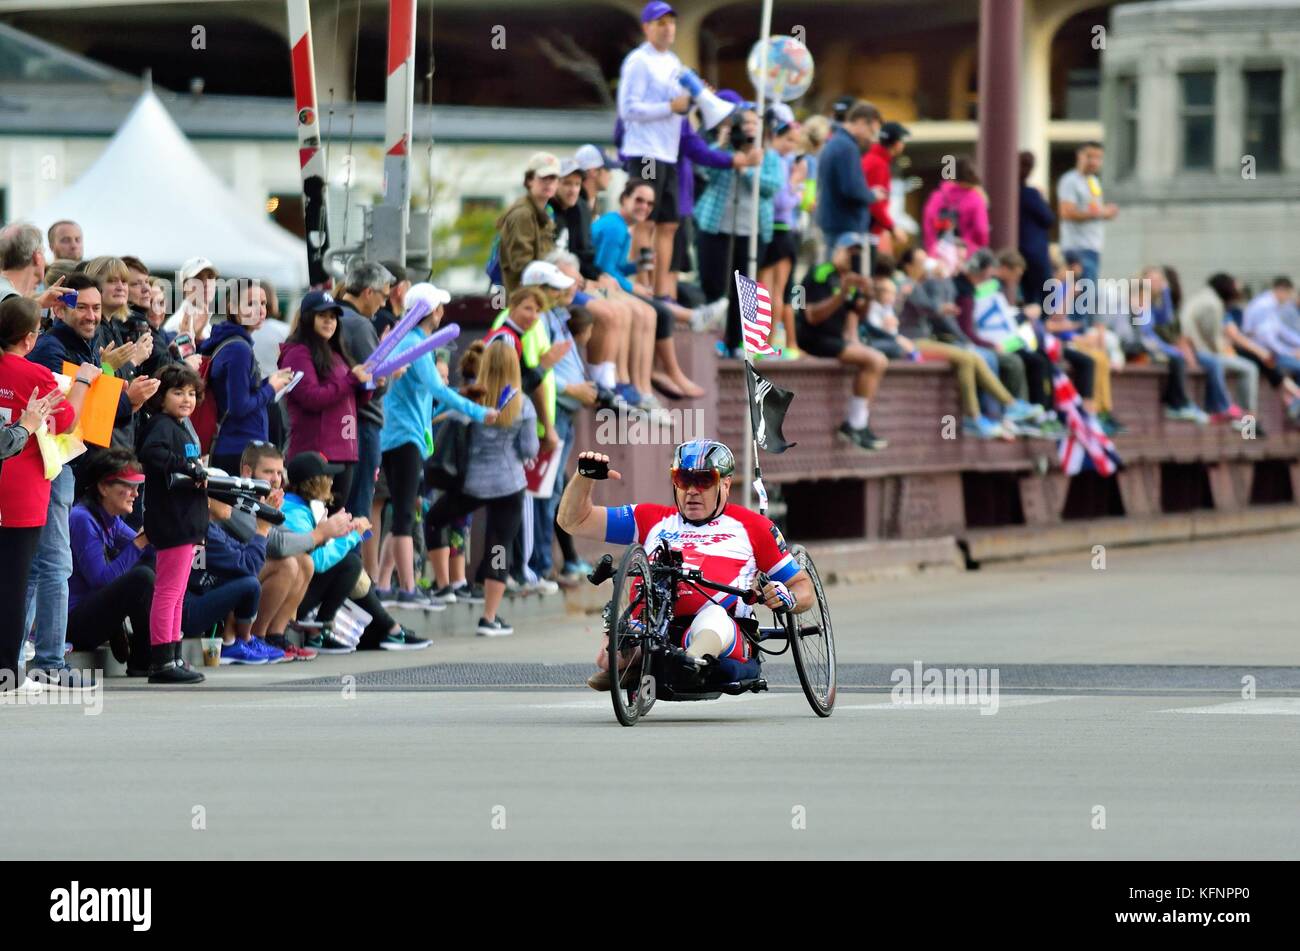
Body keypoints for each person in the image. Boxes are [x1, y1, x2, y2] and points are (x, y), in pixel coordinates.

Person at [557, 440, 814, 691]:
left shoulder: (753, 527)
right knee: (606, 659)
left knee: (714, 617)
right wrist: (584, 478)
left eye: (704, 481)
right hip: (655, 625)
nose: (692, 490)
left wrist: (789, 597)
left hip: (723, 630)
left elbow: (803, 587)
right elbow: (574, 521)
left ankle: (688, 663)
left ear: (725, 484)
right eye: (683, 480)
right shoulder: (649, 518)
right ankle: (643, 662)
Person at [26, 274, 156, 690]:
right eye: (82, 307)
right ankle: (44, 657)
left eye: (97, 308)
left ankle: (40, 656)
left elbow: (86, 407)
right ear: (60, 309)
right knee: (51, 566)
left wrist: (113, 388)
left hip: (64, 467)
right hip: (50, 466)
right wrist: (124, 399)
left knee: (46, 567)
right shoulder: (50, 347)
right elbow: (61, 412)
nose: (92, 315)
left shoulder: (77, 344)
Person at [376, 283, 495, 610]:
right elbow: (437, 389)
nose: (443, 312)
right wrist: (479, 411)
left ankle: (385, 584)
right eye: (440, 306)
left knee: (404, 510)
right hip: (405, 439)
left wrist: (464, 406)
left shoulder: (412, 343)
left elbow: (429, 398)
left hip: (404, 437)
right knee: (404, 514)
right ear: (431, 311)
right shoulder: (416, 344)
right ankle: (409, 589)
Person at [0, 297, 90, 697]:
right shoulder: (35, 373)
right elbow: (67, 421)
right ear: (31, 337)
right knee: (14, 583)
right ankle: (7, 669)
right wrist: (85, 382)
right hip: (22, 489)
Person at [424, 339, 539, 636]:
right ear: (515, 367)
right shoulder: (522, 403)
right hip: (508, 483)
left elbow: (453, 423)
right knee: (498, 546)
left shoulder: (473, 397)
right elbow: (529, 448)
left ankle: (444, 583)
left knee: (435, 519)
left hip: (471, 482)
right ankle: (489, 617)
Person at [281, 451, 427, 652]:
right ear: (315, 483)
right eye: (328, 477)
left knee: (352, 567)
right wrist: (352, 536)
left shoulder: (303, 507)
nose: (333, 481)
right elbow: (318, 562)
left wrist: (346, 530)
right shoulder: (294, 513)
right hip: (288, 599)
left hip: (297, 591)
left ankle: (388, 629)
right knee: (351, 564)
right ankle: (324, 631)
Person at [592, 179, 704, 399]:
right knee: (656, 312)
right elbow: (602, 269)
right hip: (599, 288)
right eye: (639, 200)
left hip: (608, 285)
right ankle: (648, 380)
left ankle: (649, 381)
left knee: (657, 312)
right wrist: (633, 286)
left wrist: (635, 266)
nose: (644, 207)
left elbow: (614, 266)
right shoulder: (615, 228)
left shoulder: (621, 227)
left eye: (649, 204)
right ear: (624, 199)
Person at [136, 363, 209, 684]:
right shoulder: (162, 425)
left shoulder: (180, 427)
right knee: (168, 591)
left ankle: (174, 654)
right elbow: (151, 453)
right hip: (173, 522)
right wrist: (189, 467)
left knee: (177, 592)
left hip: (187, 523)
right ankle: (162, 659)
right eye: (177, 392)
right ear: (161, 396)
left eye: (192, 393)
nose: (186, 399)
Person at [618, 1, 690, 301]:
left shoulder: (674, 62)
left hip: (668, 153)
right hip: (645, 149)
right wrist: (669, 107)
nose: (668, 28)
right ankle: (642, 283)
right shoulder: (638, 61)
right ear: (646, 27)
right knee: (645, 219)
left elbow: (679, 103)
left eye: (671, 22)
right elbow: (628, 108)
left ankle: (662, 290)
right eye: (660, 23)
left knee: (669, 223)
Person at [793, 233, 891, 450]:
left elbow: (857, 315)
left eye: (857, 254)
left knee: (880, 358)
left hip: (835, 339)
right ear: (837, 251)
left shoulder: (852, 278)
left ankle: (860, 423)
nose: (852, 257)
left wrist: (868, 294)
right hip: (813, 338)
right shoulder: (821, 273)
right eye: (850, 252)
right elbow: (811, 317)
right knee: (876, 361)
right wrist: (842, 292)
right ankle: (854, 424)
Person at [279, 289, 373, 510]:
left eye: (333, 317)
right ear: (308, 318)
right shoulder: (297, 353)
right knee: (316, 524)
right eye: (323, 316)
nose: (329, 322)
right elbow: (310, 397)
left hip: (345, 450)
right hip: (316, 453)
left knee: (336, 523)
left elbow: (350, 402)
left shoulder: (338, 354)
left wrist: (366, 385)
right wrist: (351, 380)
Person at [66, 449, 155, 675]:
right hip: (72, 624)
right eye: (128, 486)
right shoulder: (82, 518)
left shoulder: (110, 518)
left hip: (90, 611)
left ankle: (154, 655)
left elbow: (148, 550)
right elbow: (101, 580)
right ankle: (145, 660)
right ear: (104, 487)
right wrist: (143, 541)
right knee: (142, 577)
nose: (135, 493)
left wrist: (173, 534)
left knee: (152, 568)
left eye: (137, 486)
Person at [203, 281, 295, 474]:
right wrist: (271, 389)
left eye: (263, 303)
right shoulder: (239, 349)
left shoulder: (236, 344)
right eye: (251, 303)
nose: (261, 310)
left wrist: (267, 383)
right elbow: (239, 406)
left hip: (238, 446)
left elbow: (238, 392)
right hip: (239, 449)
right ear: (233, 308)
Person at [335, 262, 394, 525]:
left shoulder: (331, 317)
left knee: (337, 509)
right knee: (357, 512)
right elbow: (377, 383)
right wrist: (389, 372)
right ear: (369, 292)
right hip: (363, 423)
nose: (383, 305)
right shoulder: (359, 325)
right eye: (383, 296)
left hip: (338, 424)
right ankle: (353, 566)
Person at [1056, 142, 1117, 324]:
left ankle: (1083, 332)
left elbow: (1093, 209)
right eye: (1090, 156)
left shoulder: (1093, 182)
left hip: (1092, 246)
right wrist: (1100, 213)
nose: (1094, 162)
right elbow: (1066, 212)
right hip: (1078, 247)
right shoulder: (1070, 181)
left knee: (1090, 296)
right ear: (1079, 156)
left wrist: (1104, 212)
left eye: (1098, 158)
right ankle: (1076, 334)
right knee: (1082, 296)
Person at [816, 101, 882, 256]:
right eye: (872, 132)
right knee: (841, 276)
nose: (871, 139)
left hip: (834, 222)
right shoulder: (847, 147)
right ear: (862, 122)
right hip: (844, 225)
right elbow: (852, 188)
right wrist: (872, 195)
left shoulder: (835, 143)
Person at [497, 153, 560, 297]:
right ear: (529, 180)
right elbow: (523, 267)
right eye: (543, 178)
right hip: (525, 299)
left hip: (537, 295)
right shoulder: (523, 214)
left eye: (553, 178)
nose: (549, 183)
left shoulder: (542, 212)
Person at [923, 156, 989, 260]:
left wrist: (932, 250)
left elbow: (928, 226)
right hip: (966, 255)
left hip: (939, 254)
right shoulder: (976, 198)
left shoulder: (937, 196)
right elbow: (981, 230)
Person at [863, 120, 909, 257]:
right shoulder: (878, 164)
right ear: (897, 143)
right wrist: (892, 227)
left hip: (865, 229)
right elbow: (875, 203)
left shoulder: (871, 159)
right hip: (868, 232)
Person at [1017, 151, 1055, 311]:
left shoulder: (1010, 193)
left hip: (1019, 251)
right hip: (1035, 252)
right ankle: (1044, 326)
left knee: (1028, 293)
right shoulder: (1030, 194)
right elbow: (1048, 218)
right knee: (1046, 294)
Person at [1243, 277, 1300, 379]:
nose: (1289, 298)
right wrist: (1290, 353)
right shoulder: (1264, 306)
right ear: (1281, 290)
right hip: (1263, 354)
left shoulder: (1273, 304)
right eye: (1289, 294)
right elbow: (1268, 340)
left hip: (1272, 352)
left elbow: (1282, 330)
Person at [164, 256, 220, 344]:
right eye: (198, 278)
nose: (206, 283)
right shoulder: (176, 324)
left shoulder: (206, 323)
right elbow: (181, 356)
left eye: (210, 277)